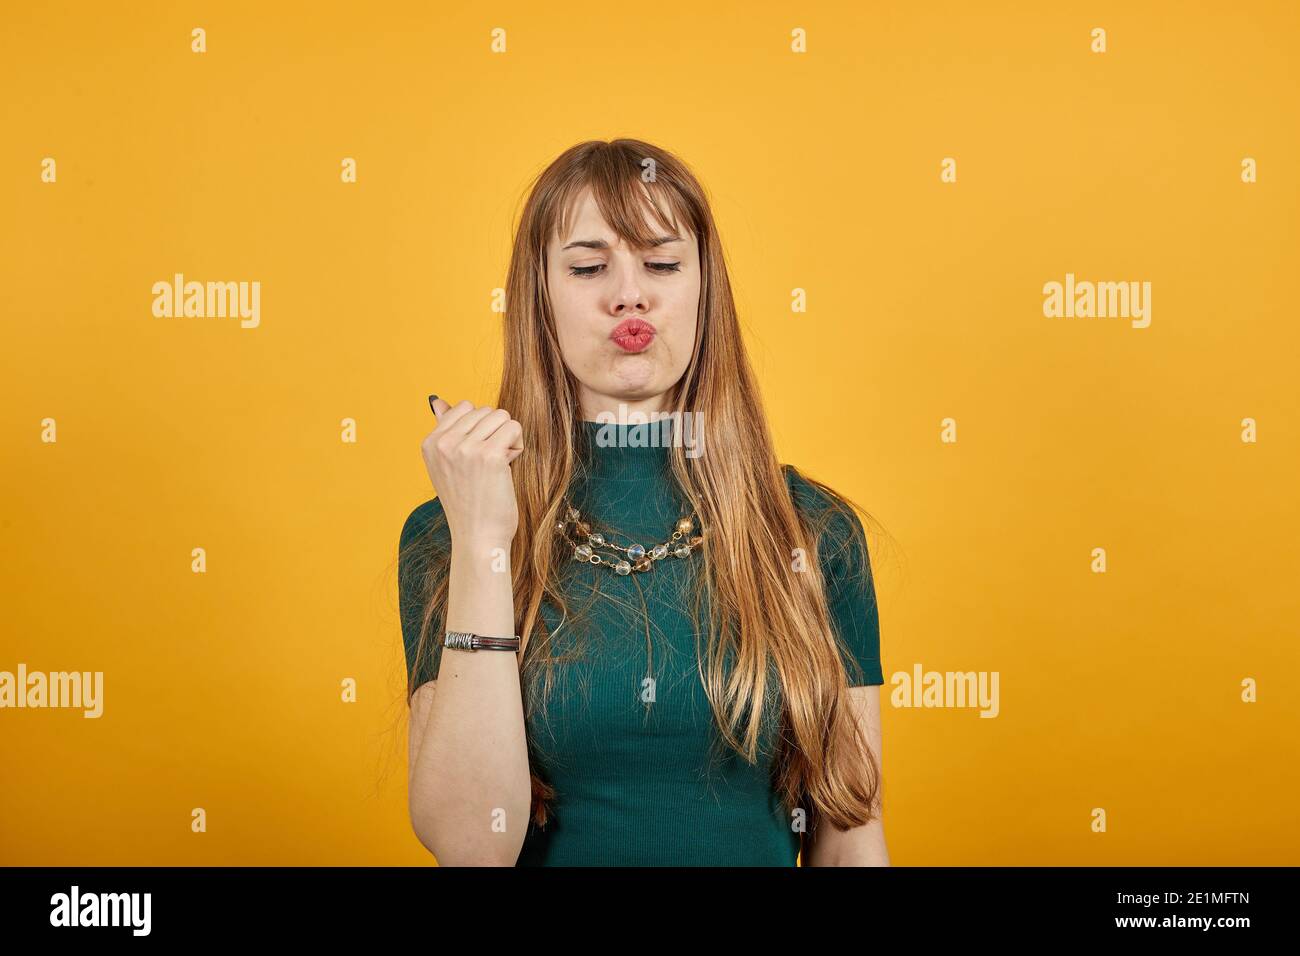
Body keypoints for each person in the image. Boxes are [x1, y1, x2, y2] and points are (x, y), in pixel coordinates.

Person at [398, 138, 888, 866]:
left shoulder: (812, 530)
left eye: (661, 263)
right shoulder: (448, 532)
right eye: (589, 266)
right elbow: (473, 847)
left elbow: (851, 840)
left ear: (703, 291)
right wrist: (483, 542)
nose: (629, 293)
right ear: (540, 298)